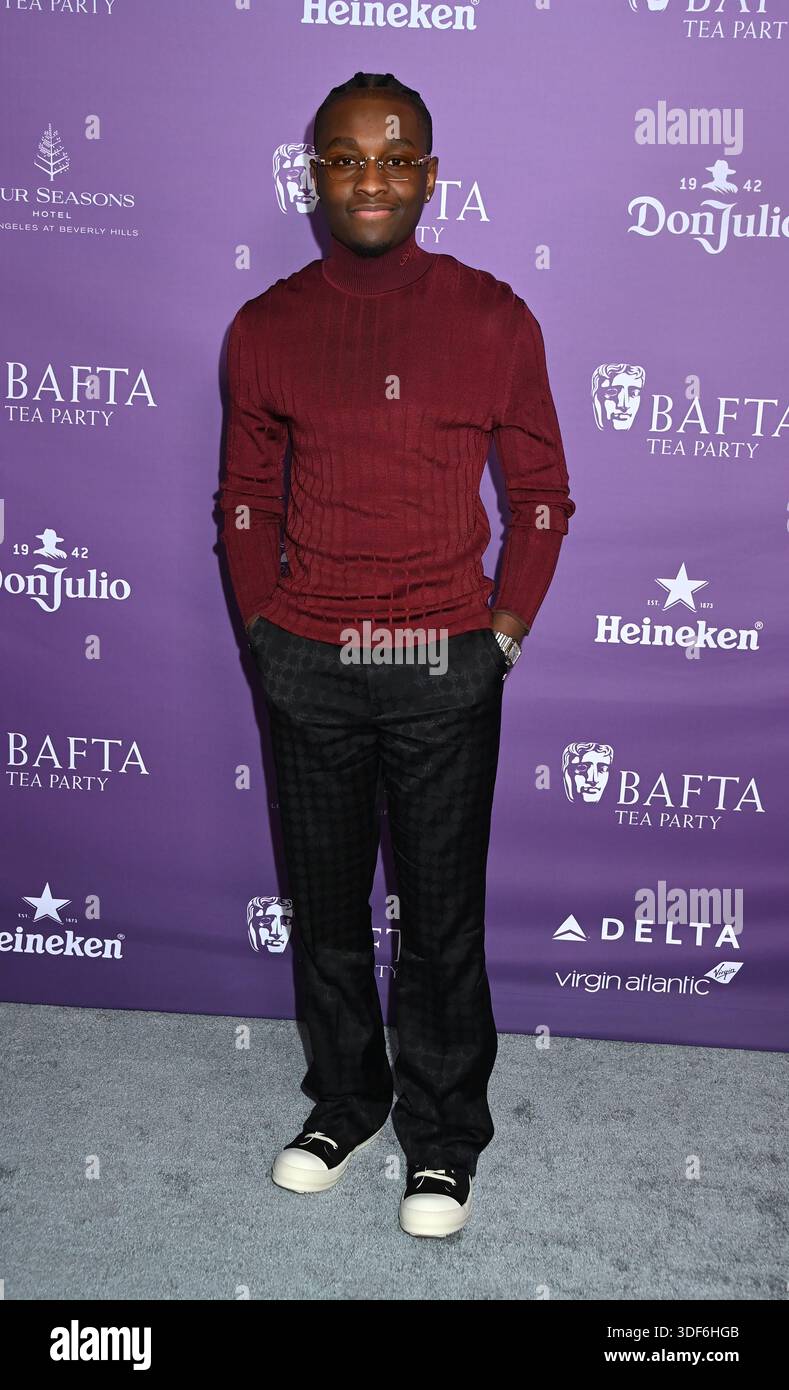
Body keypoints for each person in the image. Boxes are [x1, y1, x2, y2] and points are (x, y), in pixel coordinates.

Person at [219, 71, 575, 1239]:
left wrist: (503, 631)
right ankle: (344, 1099)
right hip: (308, 662)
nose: (369, 176)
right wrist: (267, 633)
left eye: (395, 155)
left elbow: (541, 497)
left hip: (442, 664)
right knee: (323, 909)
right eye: (344, 157)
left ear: (430, 174)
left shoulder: (492, 317)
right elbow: (241, 504)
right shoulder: (266, 325)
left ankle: (443, 1134)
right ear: (311, 173)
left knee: (438, 918)